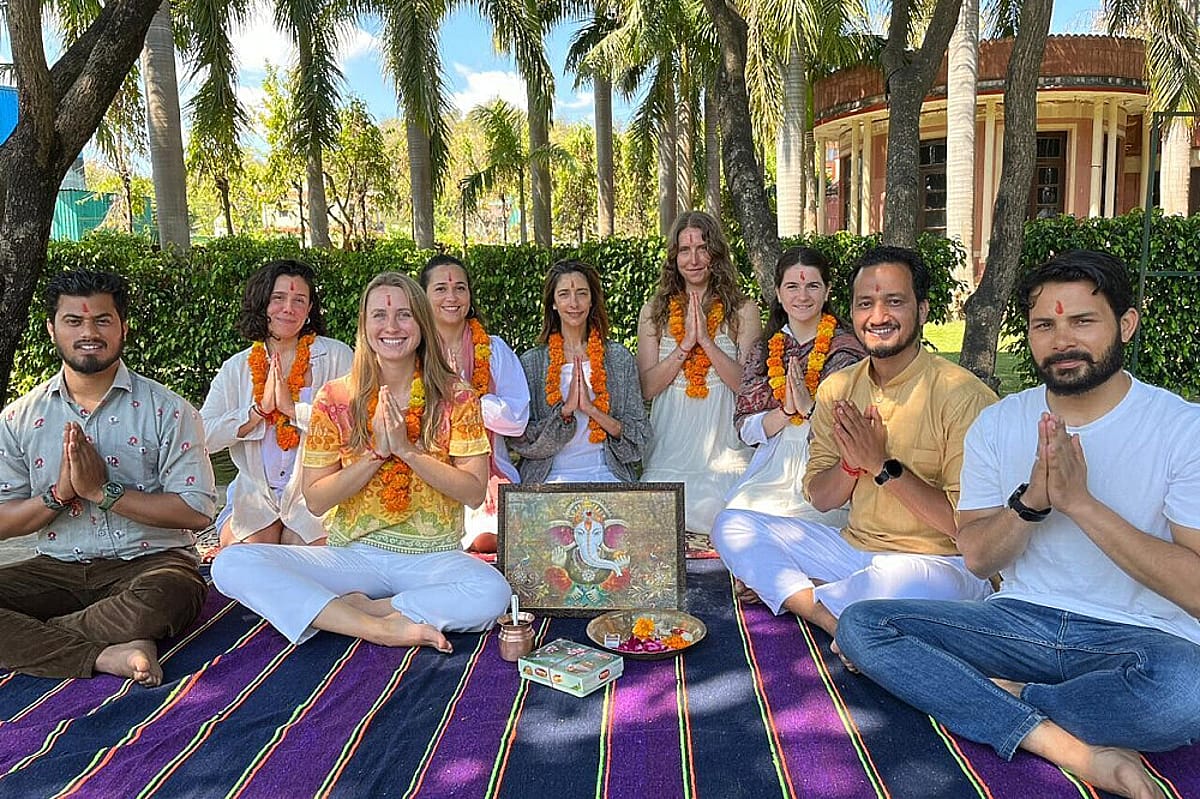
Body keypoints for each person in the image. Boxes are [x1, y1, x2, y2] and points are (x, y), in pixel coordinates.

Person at [836, 250, 1200, 799]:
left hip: (1141, 638)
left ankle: (992, 693)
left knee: (1186, 696)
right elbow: (979, 557)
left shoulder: (1180, 428)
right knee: (862, 627)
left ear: (1126, 323)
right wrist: (1033, 501)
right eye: (1044, 325)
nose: (1062, 340)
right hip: (1018, 623)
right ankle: (1067, 747)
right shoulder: (1000, 423)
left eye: (1082, 321)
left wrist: (1081, 503)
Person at [212, 273, 511, 653]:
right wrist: (375, 455)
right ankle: (380, 628)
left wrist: (407, 450)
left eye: (404, 315)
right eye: (379, 315)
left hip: (433, 558)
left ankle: (362, 611)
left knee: (492, 593)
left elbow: (472, 492)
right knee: (231, 563)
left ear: (421, 322)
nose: (391, 327)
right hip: (353, 557)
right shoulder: (335, 397)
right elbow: (317, 500)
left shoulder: (457, 396)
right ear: (364, 326)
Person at [713, 246, 995, 640]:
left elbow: (969, 531)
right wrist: (849, 466)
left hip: (937, 562)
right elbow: (820, 498)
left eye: (894, 302)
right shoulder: (840, 388)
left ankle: (801, 593)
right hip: (855, 552)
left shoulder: (963, 397)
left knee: (910, 584)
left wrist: (882, 467)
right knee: (732, 525)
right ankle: (831, 617)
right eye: (866, 303)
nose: (878, 316)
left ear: (924, 310)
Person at [0, 270, 216, 685]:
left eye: (102, 320)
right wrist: (58, 495)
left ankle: (36, 638)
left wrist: (104, 492)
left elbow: (196, 511)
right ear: (51, 328)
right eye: (74, 321)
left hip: (151, 565)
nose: (89, 333)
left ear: (123, 328)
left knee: (168, 596)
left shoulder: (167, 410)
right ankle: (107, 653)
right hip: (57, 569)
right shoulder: (18, 419)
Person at [200, 260, 352, 547]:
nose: (288, 308)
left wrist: (295, 411)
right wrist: (258, 412)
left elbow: (357, 427)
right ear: (262, 304)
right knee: (246, 557)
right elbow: (203, 436)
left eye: (299, 300)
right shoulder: (237, 368)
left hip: (317, 496)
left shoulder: (337, 357)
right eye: (278, 298)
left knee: (306, 558)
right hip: (255, 498)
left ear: (309, 310)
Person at [637, 210, 761, 533]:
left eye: (702, 248)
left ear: (716, 253)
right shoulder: (653, 312)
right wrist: (684, 346)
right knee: (657, 514)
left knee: (727, 512)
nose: (693, 259)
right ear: (674, 256)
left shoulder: (743, 311)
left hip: (726, 452)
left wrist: (705, 341)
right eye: (684, 250)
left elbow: (746, 387)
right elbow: (647, 388)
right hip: (669, 450)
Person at [720, 246, 865, 518]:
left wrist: (810, 408)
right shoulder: (764, 351)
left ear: (827, 290)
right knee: (735, 517)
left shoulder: (849, 350)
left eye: (812, 286)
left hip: (827, 469)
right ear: (777, 293)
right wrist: (786, 411)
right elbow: (745, 428)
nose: (802, 296)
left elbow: (857, 427)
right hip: (773, 467)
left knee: (810, 522)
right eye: (791, 287)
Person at [419, 254, 529, 553]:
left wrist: (467, 399)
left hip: (490, 475)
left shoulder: (493, 349)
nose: (452, 297)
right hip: (425, 474)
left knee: (489, 538)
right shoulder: (413, 350)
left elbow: (517, 419)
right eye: (440, 288)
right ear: (422, 297)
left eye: (460, 288)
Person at [512, 260, 649, 484]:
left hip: (608, 475)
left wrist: (592, 410)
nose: (574, 303)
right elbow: (521, 438)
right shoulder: (531, 363)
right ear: (553, 303)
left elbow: (640, 437)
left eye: (582, 293)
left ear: (592, 299)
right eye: (564, 294)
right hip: (548, 479)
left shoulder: (618, 358)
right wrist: (564, 413)